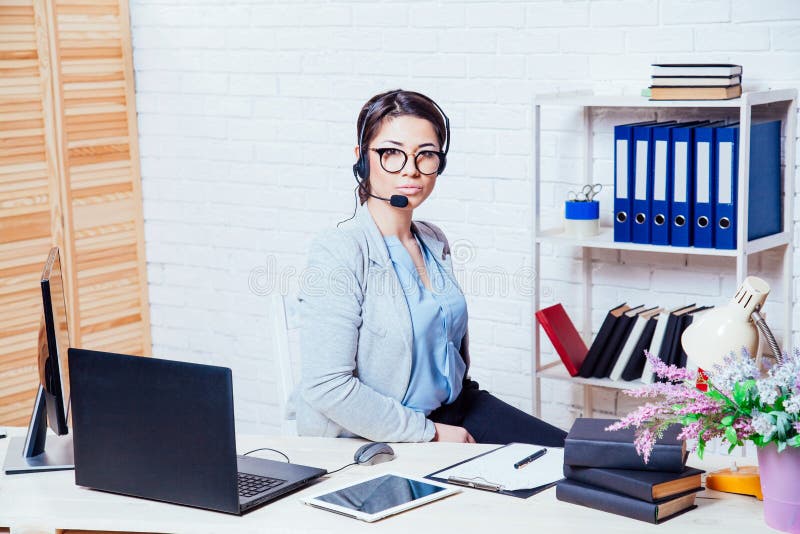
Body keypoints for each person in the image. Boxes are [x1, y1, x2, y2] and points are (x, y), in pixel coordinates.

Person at [295, 89, 566, 446]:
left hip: (454, 407)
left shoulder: (432, 239)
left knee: (577, 456)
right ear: (362, 159)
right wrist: (432, 434)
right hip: (382, 433)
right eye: (391, 153)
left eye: (425, 155)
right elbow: (326, 386)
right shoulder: (340, 250)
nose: (411, 169)